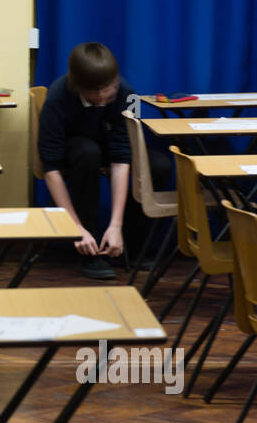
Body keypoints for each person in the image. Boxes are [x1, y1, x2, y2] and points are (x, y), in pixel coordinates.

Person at [38, 42, 170, 280]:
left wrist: (115, 224)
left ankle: (128, 244)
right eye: (95, 92)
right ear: (78, 87)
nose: (104, 95)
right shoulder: (57, 98)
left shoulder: (128, 95)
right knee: (88, 153)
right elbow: (51, 167)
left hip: (111, 149)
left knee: (159, 165)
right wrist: (74, 227)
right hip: (77, 151)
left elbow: (122, 157)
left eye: (109, 88)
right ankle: (88, 249)